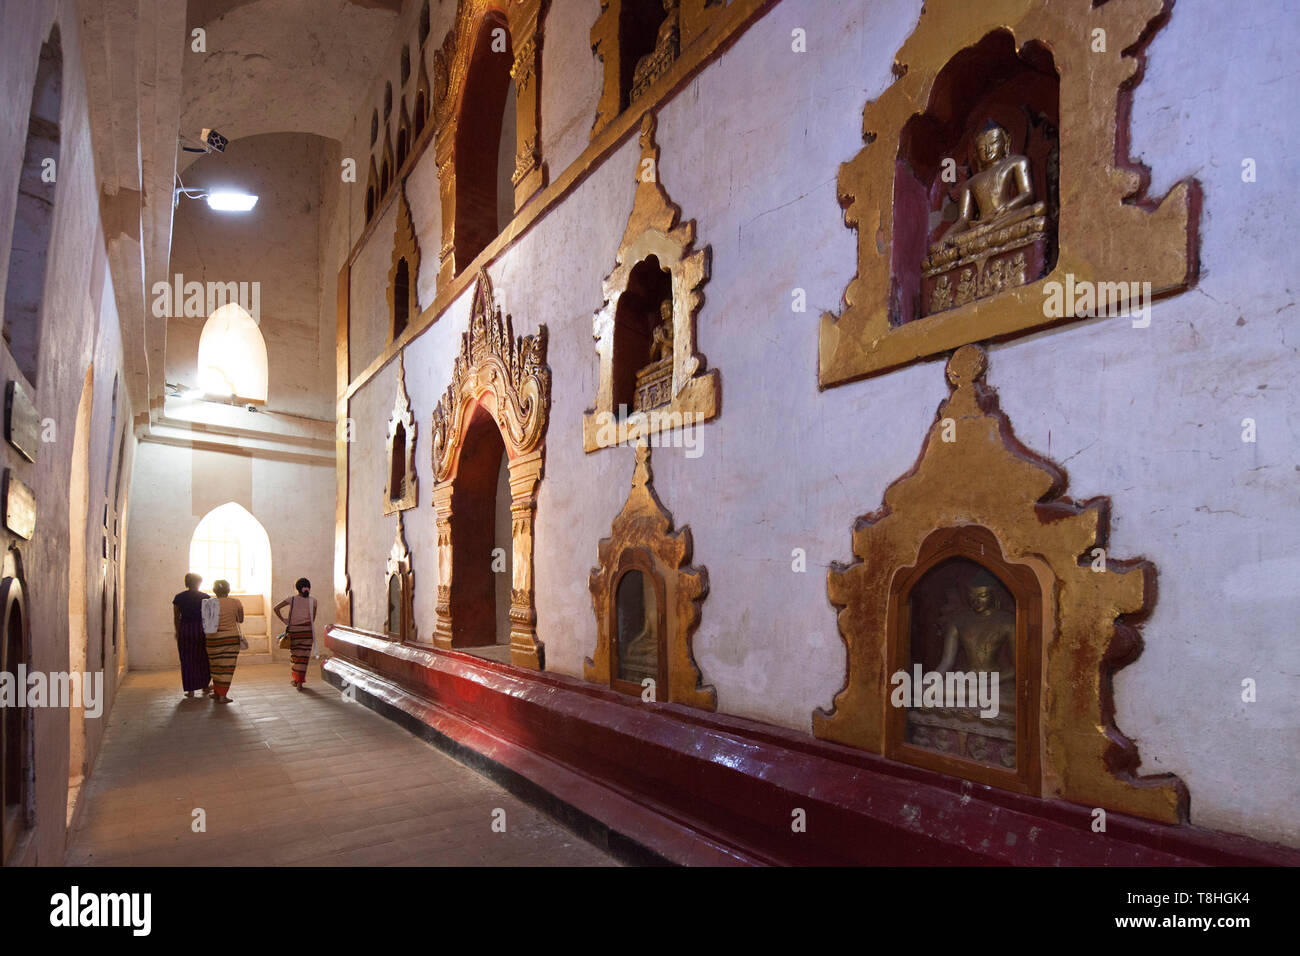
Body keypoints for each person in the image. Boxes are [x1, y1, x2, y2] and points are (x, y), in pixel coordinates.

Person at [171, 573, 213, 698]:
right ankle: (205, 686)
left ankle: (190, 690)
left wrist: (178, 631)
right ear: (198, 583)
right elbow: (209, 617)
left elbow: (176, 617)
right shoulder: (205, 597)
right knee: (203, 658)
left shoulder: (179, 597)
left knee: (187, 660)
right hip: (201, 630)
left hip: (185, 629)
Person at [274, 577, 317, 690]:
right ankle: (299, 682)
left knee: (296, 657)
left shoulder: (291, 599)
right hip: (307, 633)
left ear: (297, 589)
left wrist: (284, 620)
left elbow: (276, 608)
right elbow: (313, 619)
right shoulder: (314, 601)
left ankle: (297, 680)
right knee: (304, 658)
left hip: (295, 632)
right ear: (309, 588)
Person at [207, 580, 244, 703]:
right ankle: (222, 695)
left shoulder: (209, 603)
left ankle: (217, 693)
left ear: (214, 590)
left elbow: (208, 625)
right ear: (228, 590)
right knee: (227, 667)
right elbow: (241, 619)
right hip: (231, 639)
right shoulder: (236, 602)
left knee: (215, 666)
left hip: (213, 639)